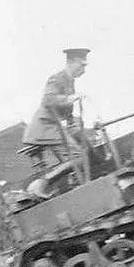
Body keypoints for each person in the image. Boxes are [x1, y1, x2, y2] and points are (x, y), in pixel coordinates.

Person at [22, 48, 92, 199]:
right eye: (82, 65)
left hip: (52, 126)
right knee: (78, 157)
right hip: (44, 126)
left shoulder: (69, 82)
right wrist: (69, 99)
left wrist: (74, 126)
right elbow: (48, 100)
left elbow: (67, 112)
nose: (83, 70)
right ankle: (41, 184)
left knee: (80, 151)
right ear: (71, 62)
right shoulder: (57, 78)